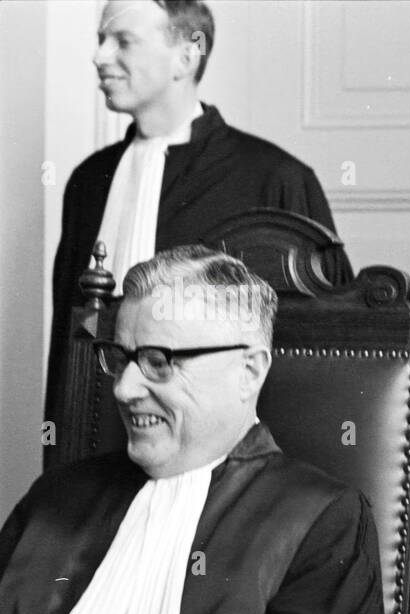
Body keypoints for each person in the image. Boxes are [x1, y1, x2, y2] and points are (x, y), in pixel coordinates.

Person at [1, 246, 382, 614]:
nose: (125, 387)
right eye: (120, 357)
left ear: (250, 369)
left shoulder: (324, 520)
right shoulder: (57, 497)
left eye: (159, 362)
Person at [48, 0, 351, 424]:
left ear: (186, 57)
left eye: (123, 41)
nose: (100, 57)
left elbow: (331, 356)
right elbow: (69, 345)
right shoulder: (88, 181)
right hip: (98, 452)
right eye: (101, 40)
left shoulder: (277, 178)